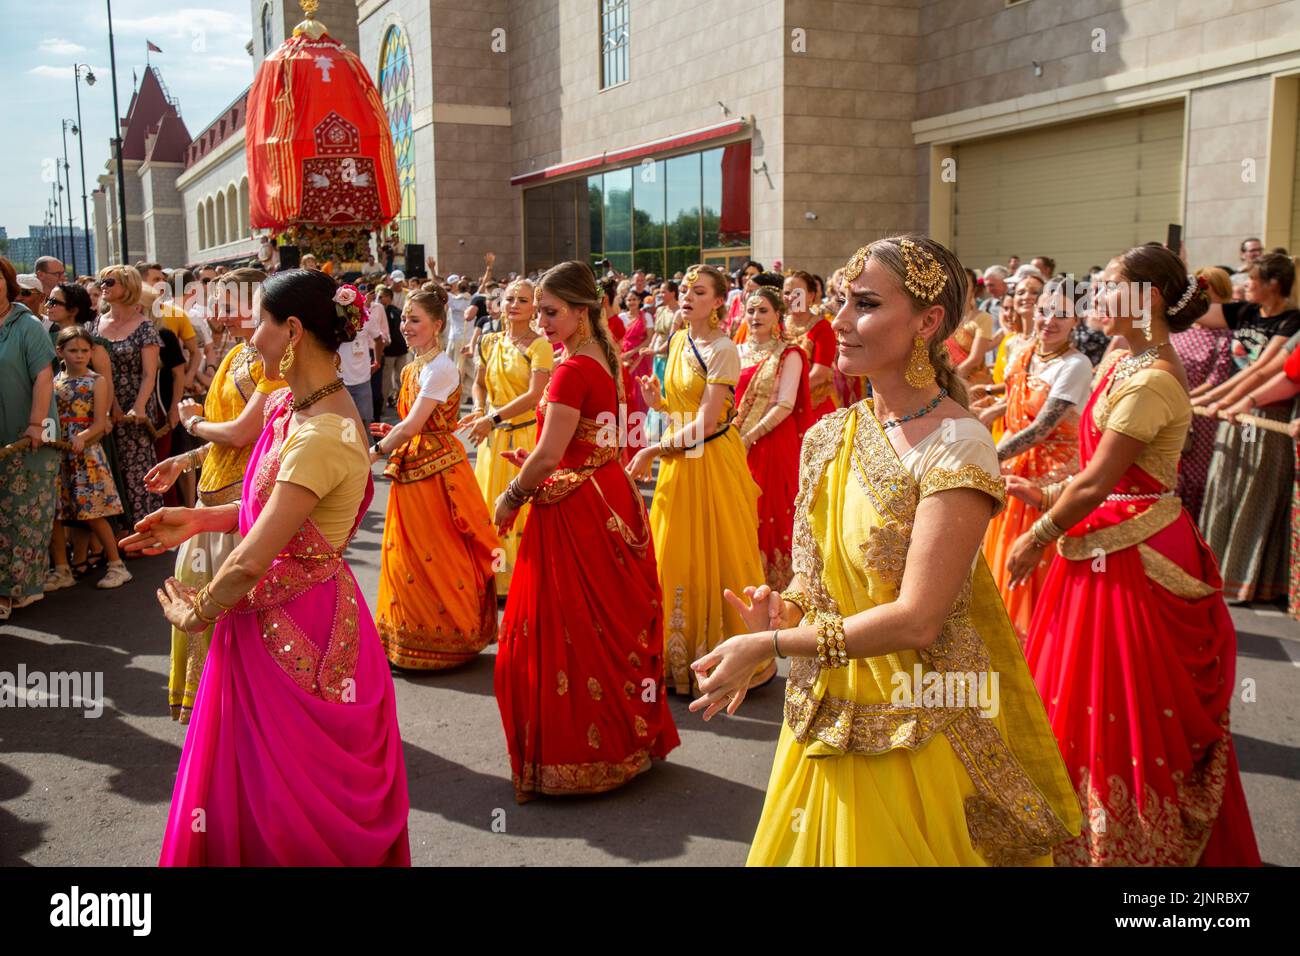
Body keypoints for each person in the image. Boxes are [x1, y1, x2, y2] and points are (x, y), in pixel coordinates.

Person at [689, 236, 1079, 866]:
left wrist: (771, 647)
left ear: (927, 323)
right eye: (841, 301)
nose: (838, 320)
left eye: (865, 304)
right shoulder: (828, 436)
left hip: (914, 729)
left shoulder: (957, 443)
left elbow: (919, 618)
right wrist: (781, 611)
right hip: (823, 718)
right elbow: (813, 588)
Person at [127, 267, 410, 865]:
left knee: (282, 796)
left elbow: (255, 556)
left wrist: (196, 612)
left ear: (293, 331)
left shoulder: (323, 433)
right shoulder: (288, 406)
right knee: (250, 782)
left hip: (298, 631)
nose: (251, 336)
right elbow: (267, 512)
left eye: (259, 322)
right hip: (268, 614)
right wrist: (200, 520)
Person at [1009, 244, 1260, 866]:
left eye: (1107, 286)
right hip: (1108, 537)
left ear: (1145, 298)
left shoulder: (1149, 379)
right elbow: (1096, 470)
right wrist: (1040, 491)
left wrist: (1035, 536)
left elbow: (1098, 483)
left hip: (1137, 554)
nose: (1093, 297)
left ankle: (1126, 849)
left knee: (1124, 706)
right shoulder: (1124, 360)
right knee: (1087, 699)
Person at [492, 261, 679, 802]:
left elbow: (551, 452)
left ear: (580, 311)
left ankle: (580, 754)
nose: (542, 321)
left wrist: (512, 496)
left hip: (578, 509)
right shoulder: (604, 359)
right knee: (601, 629)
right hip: (607, 492)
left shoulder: (572, 369)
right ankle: (622, 745)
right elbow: (589, 443)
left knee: (566, 630)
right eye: (541, 312)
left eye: (551, 312)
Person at [145, 269, 284, 724]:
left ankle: (243, 712)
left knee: (233, 609)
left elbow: (248, 432)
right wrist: (187, 460)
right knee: (200, 598)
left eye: (230, 300)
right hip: (210, 500)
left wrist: (191, 425)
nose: (219, 308)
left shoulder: (276, 363)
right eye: (219, 299)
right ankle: (217, 712)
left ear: (259, 304)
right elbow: (231, 438)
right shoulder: (235, 355)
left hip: (245, 506)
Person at [627, 264, 772, 696]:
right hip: (680, 456)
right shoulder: (675, 341)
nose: (688, 296)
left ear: (716, 303)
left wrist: (653, 448)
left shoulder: (725, 347)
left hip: (710, 459)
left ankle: (729, 659)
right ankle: (677, 656)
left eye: (700, 291)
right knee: (676, 551)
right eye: (686, 289)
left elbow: (709, 422)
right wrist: (661, 402)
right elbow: (684, 409)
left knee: (718, 549)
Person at [370, 287, 500, 670]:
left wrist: (374, 454)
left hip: (439, 473)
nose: (406, 327)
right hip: (413, 467)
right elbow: (412, 425)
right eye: (405, 319)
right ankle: (408, 636)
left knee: (440, 551)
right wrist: (389, 437)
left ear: (437, 325)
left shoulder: (441, 367)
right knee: (407, 553)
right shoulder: (412, 368)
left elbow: (411, 425)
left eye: (415, 320)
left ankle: (448, 638)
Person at [981, 281, 1091, 645]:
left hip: (1047, 484)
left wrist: (988, 455)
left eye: (1061, 314)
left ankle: (1038, 653)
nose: (1049, 321)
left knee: (1035, 566)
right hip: (1013, 471)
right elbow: (1015, 397)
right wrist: (986, 406)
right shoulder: (1024, 351)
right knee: (999, 553)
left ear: (1077, 319)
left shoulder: (1075, 365)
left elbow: (1042, 427)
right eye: (1044, 311)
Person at [1193, 252, 1300, 602]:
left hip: (1266, 418)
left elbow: (1265, 370)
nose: (1245, 285)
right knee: (1223, 490)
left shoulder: (1292, 321)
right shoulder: (1245, 311)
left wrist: (1229, 401)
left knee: (1254, 497)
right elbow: (1193, 311)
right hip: (1237, 413)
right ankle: (1216, 572)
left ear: (1272, 284)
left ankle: (1248, 582)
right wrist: (1180, 277)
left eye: (1251, 279)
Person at [460, 278, 552, 596]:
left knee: (520, 507)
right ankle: (495, 578)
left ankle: (522, 580)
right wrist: (479, 406)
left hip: (523, 437)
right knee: (488, 506)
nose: (514, 304)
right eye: (510, 298)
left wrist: (492, 417)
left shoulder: (539, 345)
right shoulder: (489, 342)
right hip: (492, 438)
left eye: (522, 300)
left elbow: (535, 394)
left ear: (534, 307)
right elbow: (480, 382)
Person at [734, 286, 812, 591]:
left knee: (771, 512)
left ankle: (779, 590)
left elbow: (785, 405)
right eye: (751, 310)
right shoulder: (736, 351)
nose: (755, 316)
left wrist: (750, 436)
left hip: (772, 444)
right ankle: (743, 579)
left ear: (778, 315)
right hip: (735, 442)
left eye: (763, 310)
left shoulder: (789, 354)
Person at [44, 327, 130, 592]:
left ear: (92, 352)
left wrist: (83, 437)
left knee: (93, 510)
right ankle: (62, 568)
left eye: (84, 350)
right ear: (60, 352)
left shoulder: (97, 381)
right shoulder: (54, 381)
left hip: (86, 453)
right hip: (59, 452)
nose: (79, 356)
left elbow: (100, 421)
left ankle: (117, 565)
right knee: (56, 512)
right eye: (73, 350)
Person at [0, 257, 60, 621]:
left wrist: (36, 424)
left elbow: (43, 376)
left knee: (21, 516)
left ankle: (12, 590)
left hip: (29, 437)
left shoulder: (27, 326)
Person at [90, 265, 164, 535]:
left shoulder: (144, 327)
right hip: (101, 406)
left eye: (110, 281)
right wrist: (110, 407)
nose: (104, 286)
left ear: (128, 286)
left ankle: (147, 531)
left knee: (138, 470)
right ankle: (117, 533)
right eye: (102, 282)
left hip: (136, 407)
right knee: (109, 469)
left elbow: (149, 373)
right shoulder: (95, 325)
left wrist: (138, 406)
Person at [1170, 267, 1236, 520]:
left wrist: (1187, 401)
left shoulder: (1227, 336)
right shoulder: (1180, 330)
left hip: (1201, 417)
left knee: (1196, 479)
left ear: (1221, 294)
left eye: (1205, 291)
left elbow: (1216, 380)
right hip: (1170, 411)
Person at [783, 271, 838, 422]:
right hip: (779, 407)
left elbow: (820, 374)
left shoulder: (822, 328)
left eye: (797, 293)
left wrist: (785, 393)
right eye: (787, 293)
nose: (791, 298)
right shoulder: (777, 325)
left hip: (813, 408)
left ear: (811, 296)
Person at [946, 267, 995, 383]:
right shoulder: (943, 318)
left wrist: (951, 382)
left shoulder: (983, 318)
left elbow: (975, 359)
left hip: (972, 384)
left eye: (965, 285)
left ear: (973, 290)